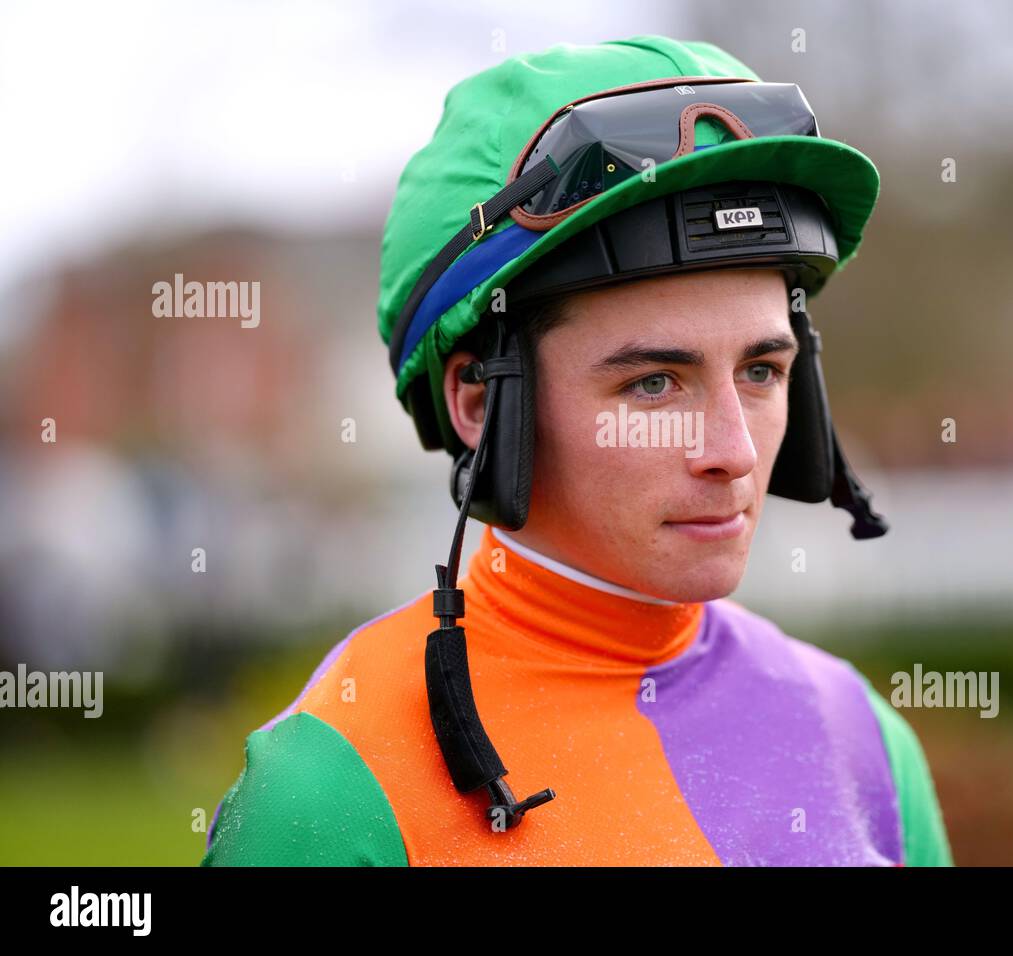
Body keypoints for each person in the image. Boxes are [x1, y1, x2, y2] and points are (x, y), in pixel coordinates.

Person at [202, 34, 953, 867]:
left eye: (762, 370)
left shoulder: (865, 737)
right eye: (654, 385)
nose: (733, 453)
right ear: (483, 403)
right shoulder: (329, 790)